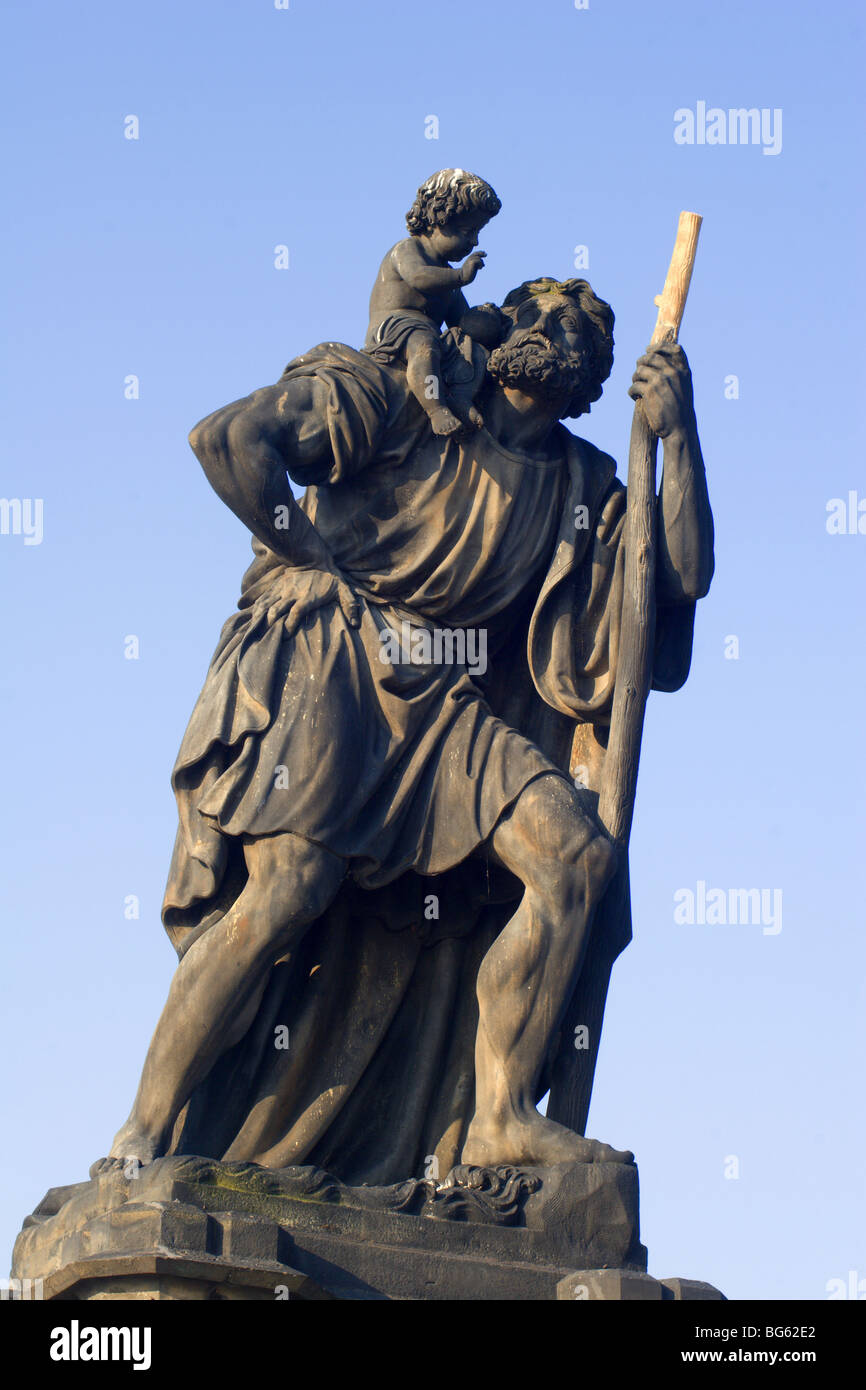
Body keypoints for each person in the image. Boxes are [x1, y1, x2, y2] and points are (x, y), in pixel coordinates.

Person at [92, 275, 713, 1185]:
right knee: (288, 889)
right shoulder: (408, 400)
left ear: (591, 379)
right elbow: (225, 439)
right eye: (543, 306)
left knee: (575, 860)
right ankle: (142, 1133)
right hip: (337, 659)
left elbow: (678, 583)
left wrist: (683, 437)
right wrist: (306, 562)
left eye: (585, 324)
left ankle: (499, 1117)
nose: (563, 322)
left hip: (446, 710)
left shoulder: (585, 484)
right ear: (503, 328)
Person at [364, 168, 502, 434]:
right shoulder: (407, 249)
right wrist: (461, 275)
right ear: (438, 219)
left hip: (427, 331)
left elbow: (461, 321)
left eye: (477, 233)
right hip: (395, 328)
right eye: (467, 230)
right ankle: (436, 410)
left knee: (469, 347)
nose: (474, 241)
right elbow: (419, 278)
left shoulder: (448, 281)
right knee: (424, 345)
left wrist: (486, 319)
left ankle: (460, 398)